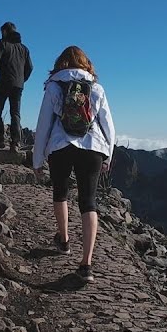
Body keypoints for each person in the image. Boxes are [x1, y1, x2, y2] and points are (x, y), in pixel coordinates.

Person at [32, 46, 116, 283]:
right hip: (93, 148)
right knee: (89, 201)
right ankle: (86, 264)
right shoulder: (96, 88)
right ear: (86, 64)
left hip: (61, 146)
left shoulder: (53, 86)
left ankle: (64, 240)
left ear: (61, 63)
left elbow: (43, 125)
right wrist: (108, 154)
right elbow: (108, 125)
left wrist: (37, 159)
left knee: (61, 193)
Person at [0, 22, 33, 150]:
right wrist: (23, 79)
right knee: (15, 113)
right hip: (18, 85)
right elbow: (30, 67)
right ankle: (15, 142)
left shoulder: (2, 44)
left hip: (4, 82)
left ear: (5, 31)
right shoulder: (24, 49)